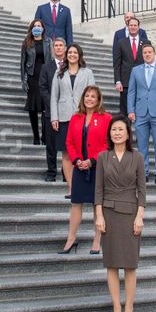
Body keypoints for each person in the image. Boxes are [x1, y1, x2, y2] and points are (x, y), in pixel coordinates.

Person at [94, 115, 146, 312]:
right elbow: (98, 190)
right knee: (112, 264)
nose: (116, 133)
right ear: (109, 133)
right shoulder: (102, 157)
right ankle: (116, 307)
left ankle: (129, 307)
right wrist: (99, 215)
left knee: (130, 264)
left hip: (131, 213)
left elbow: (142, 190)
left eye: (120, 129)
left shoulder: (137, 157)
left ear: (127, 133)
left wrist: (140, 216)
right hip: (108, 213)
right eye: (113, 129)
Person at [62, 84, 111, 255]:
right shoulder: (75, 118)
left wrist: (92, 160)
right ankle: (70, 239)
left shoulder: (106, 118)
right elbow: (69, 142)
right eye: (87, 96)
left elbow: (107, 144)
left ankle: (97, 240)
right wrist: (76, 160)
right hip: (79, 167)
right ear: (83, 98)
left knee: (98, 204)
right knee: (76, 203)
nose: (89, 99)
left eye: (93, 96)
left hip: (97, 168)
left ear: (98, 100)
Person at [49, 42, 95, 195]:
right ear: (66, 55)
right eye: (70, 53)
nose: (72, 55)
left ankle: (83, 185)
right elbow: (54, 96)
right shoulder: (59, 72)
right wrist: (54, 117)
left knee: (82, 152)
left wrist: (91, 115)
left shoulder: (87, 72)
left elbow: (93, 95)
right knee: (67, 153)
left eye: (75, 52)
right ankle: (71, 187)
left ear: (79, 55)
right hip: (64, 117)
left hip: (82, 116)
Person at [126, 41, 156, 185]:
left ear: (154, 54)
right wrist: (131, 110)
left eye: (149, 52)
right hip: (140, 112)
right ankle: (144, 172)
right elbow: (131, 92)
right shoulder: (136, 71)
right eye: (145, 52)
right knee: (142, 146)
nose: (147, 54)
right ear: (142, 55)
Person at [37, 37, 68, 182]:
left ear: (65, 48)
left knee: (67, 144)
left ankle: (66, 173)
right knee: (50, 144)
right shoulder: (46, 67)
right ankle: (51, 172)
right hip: (50, 111)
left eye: (61, 45)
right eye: (56, 46)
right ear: (52, 49)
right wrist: (53, 104)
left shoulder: (70, 65)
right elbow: (42, 88)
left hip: (68, 112)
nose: (58, 48)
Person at [111, 14, 149, 119]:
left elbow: (149, 61)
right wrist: (117, 81)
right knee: (125, 110)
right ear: (128, 26)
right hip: (125, 81)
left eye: (135, 25)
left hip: (142, 81)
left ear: (138, 27)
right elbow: (117, 63)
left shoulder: (146, 42)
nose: (133, 27)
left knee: (140, 108)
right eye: (131, 25)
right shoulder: (121, 43)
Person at [21, 18, 48, 147]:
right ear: (31, 28)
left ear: (43, 28)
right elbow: (22, 62)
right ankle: (36, 137)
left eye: (39, 25)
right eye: (34, 26)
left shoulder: (48, 42)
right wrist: (23, 80)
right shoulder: (27, 42)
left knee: (45, 107)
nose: (37, 28)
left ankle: (44, 136)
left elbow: (51, 59)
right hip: (32, 77)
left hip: (44, 77)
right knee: (32, 108)